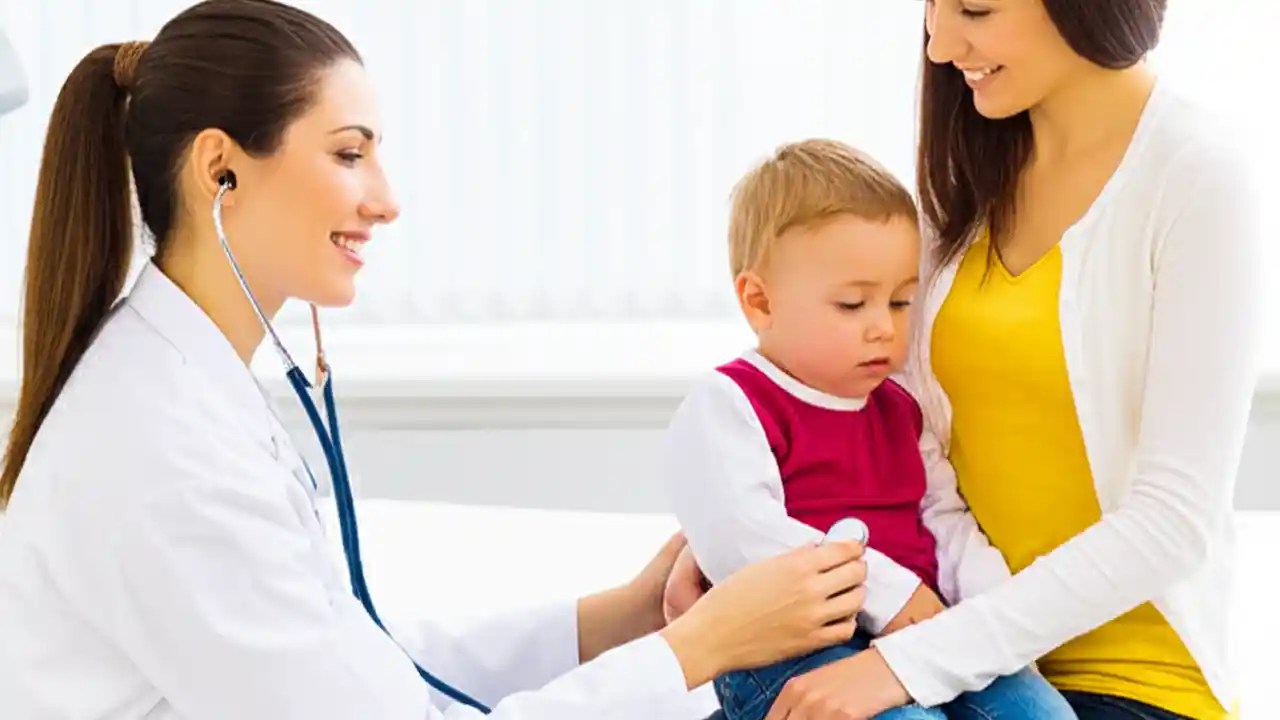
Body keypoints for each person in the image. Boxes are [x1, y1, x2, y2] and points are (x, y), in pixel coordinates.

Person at [0, 1, 872, 718]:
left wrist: (626, 620)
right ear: (220, 170)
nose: (386, 200)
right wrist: (701, 648)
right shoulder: (160, 446)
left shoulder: (188, 387)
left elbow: (355, 664)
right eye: (349, 153)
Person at [751, 1, 1262, 719]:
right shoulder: (965, 167)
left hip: (1128, 682)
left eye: (974, 9)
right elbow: (870, 407)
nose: (938, 45)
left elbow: (1174, 522)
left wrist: (910, 666)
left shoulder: (1198, 176)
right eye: (931, 8)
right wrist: (738, 518)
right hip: (939, 644)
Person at [662, 139, 1074, 720]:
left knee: (1042, 715)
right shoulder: (729, 403)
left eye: (901, 302)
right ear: (760, 302)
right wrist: (891, 593)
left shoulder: (899, 409)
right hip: (791, 651)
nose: (884, 328)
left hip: (920, 638)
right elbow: (741, 541)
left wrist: (996, 618)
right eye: (853, 305)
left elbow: (944, 521)